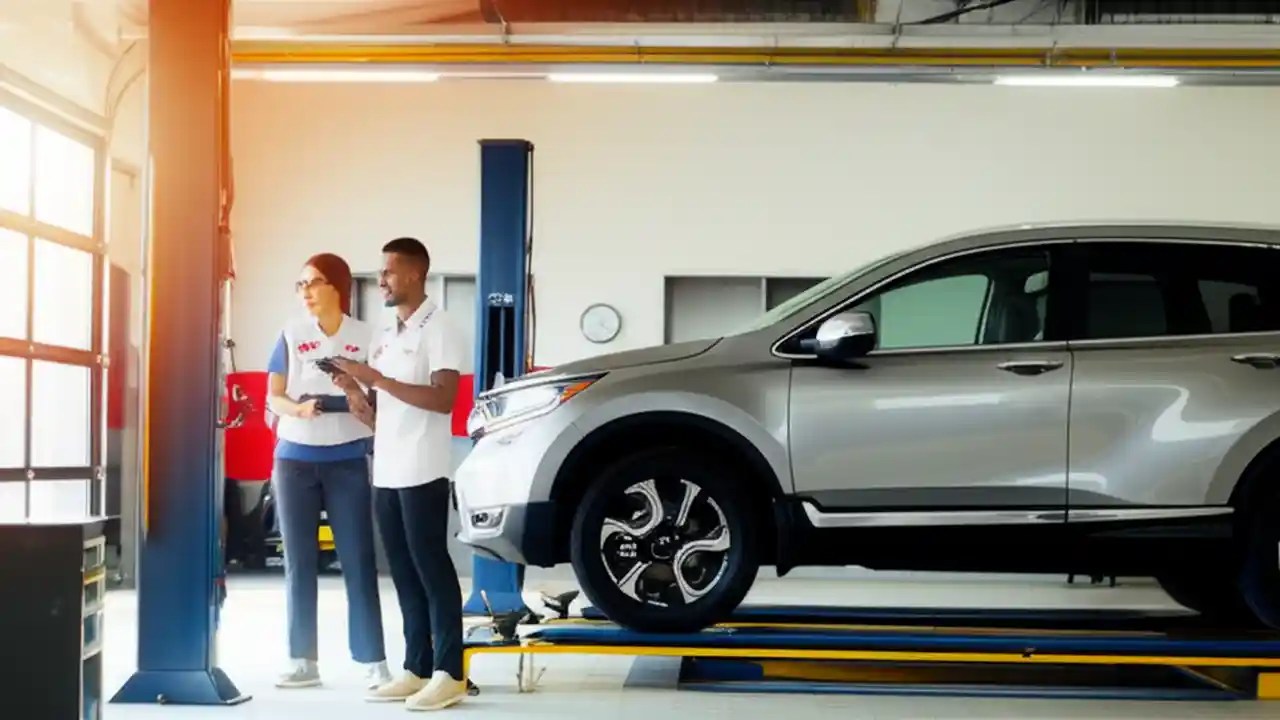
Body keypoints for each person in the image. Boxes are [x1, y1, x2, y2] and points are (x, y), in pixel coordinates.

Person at [334, 237, 469, 711]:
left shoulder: (442, 328)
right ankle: (416, 667)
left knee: (432, 568)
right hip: (387, 469)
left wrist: (377, 379)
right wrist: (355, 389)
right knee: (404, 573)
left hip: (424, 468)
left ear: (414, 274)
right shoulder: (385, 336)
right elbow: (380, 413)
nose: (381, 280)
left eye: (388, 272)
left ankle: (450, 672)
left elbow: (444, 400)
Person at [264, 252, 391, 690]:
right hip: (295, 459)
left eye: (314, 282)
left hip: (347, 460)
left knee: (358, 558)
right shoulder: (290, 333)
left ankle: (374, 661)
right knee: (299, 562)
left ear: (339, 287)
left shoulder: (367, 336)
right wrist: (298, 409)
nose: (306, 292)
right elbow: (274, 398)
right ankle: (303, 659)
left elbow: (380, 395)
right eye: (300, 284)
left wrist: (355, 396)